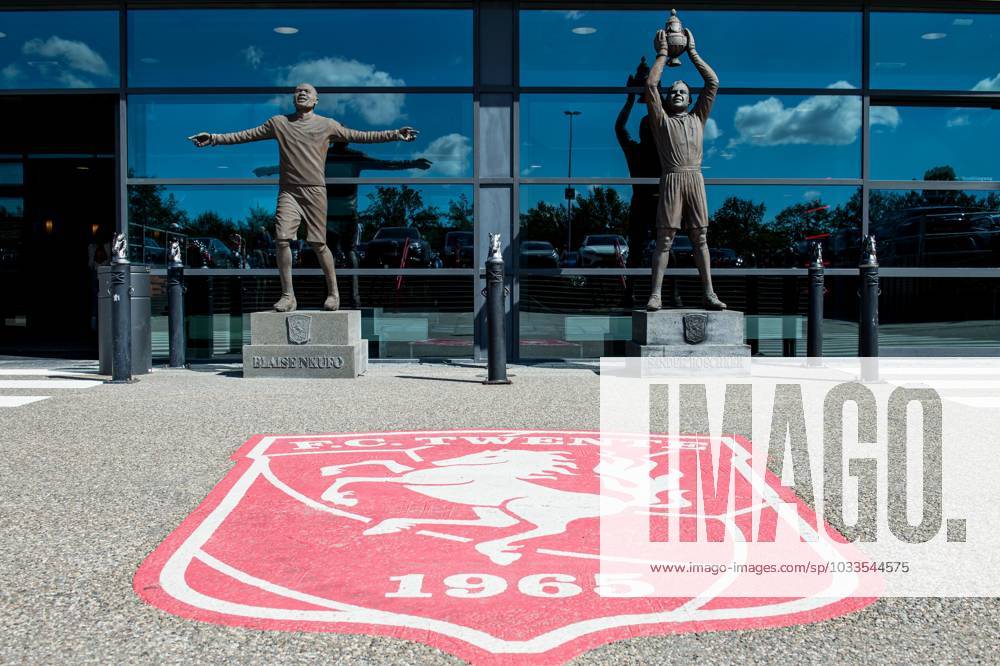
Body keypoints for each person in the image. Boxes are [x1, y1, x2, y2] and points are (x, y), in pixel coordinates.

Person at [189, 83, 418, 312]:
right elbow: (246, 135)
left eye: (307, 91)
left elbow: (360, 135)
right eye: (298, 91)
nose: (302, 93)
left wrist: (395, 134)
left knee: (318, 243)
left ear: (316, 100)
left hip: (315, 191)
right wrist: (214, 138)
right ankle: (288, 295)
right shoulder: (279, 123)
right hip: (289, 192)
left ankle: (333, 293)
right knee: (281, 239)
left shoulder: (327, 125)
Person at [645, 28, 726, 311]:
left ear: (690, 100)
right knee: (665, 238)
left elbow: (713, 82)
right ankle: (656, 294)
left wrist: (692, 52)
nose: (677, 94)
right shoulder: (662, 122)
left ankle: (709, 293)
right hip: (672, 178)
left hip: (695, 178)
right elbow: (651, 86)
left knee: (700, 237)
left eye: (683, 92)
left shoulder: (697, 119)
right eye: (674, 92)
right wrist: (663, 54)